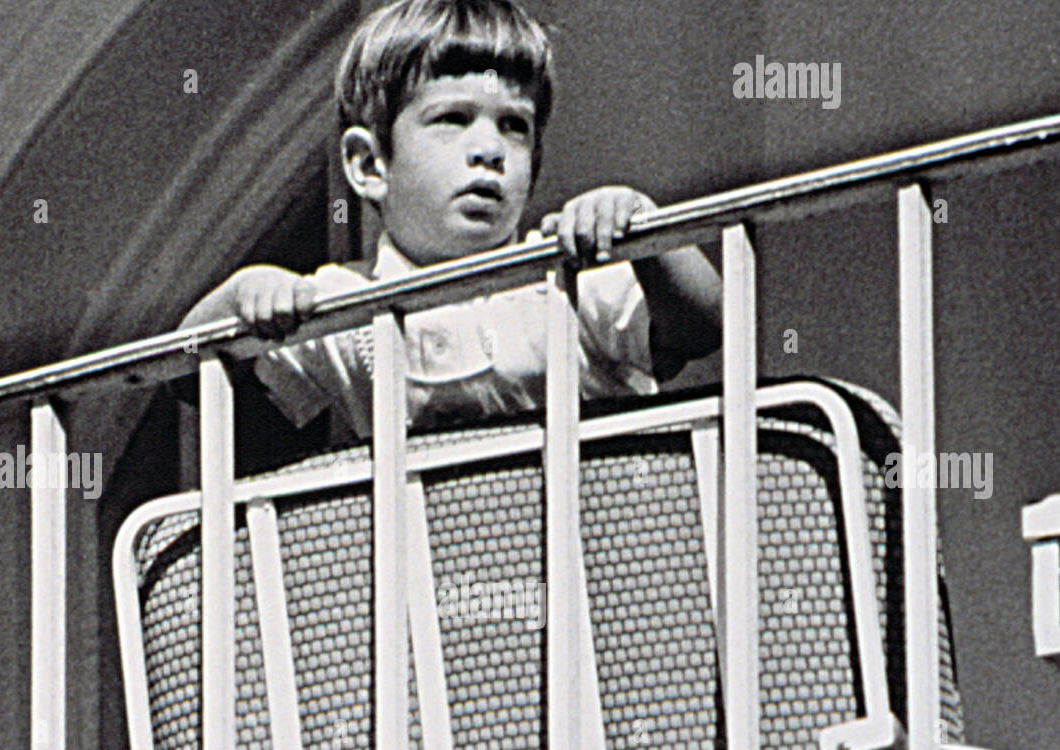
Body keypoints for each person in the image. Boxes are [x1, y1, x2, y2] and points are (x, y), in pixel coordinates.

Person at [179, 0, 722, 439]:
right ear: (370, 165)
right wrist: (243, 295)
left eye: (514, 126)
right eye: (453, 119)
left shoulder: (568, 276)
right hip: (433, 568)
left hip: (591, 559)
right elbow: (187, 378)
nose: (489, 149)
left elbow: (704, 328)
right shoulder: (347, 306)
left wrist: (645, 231)